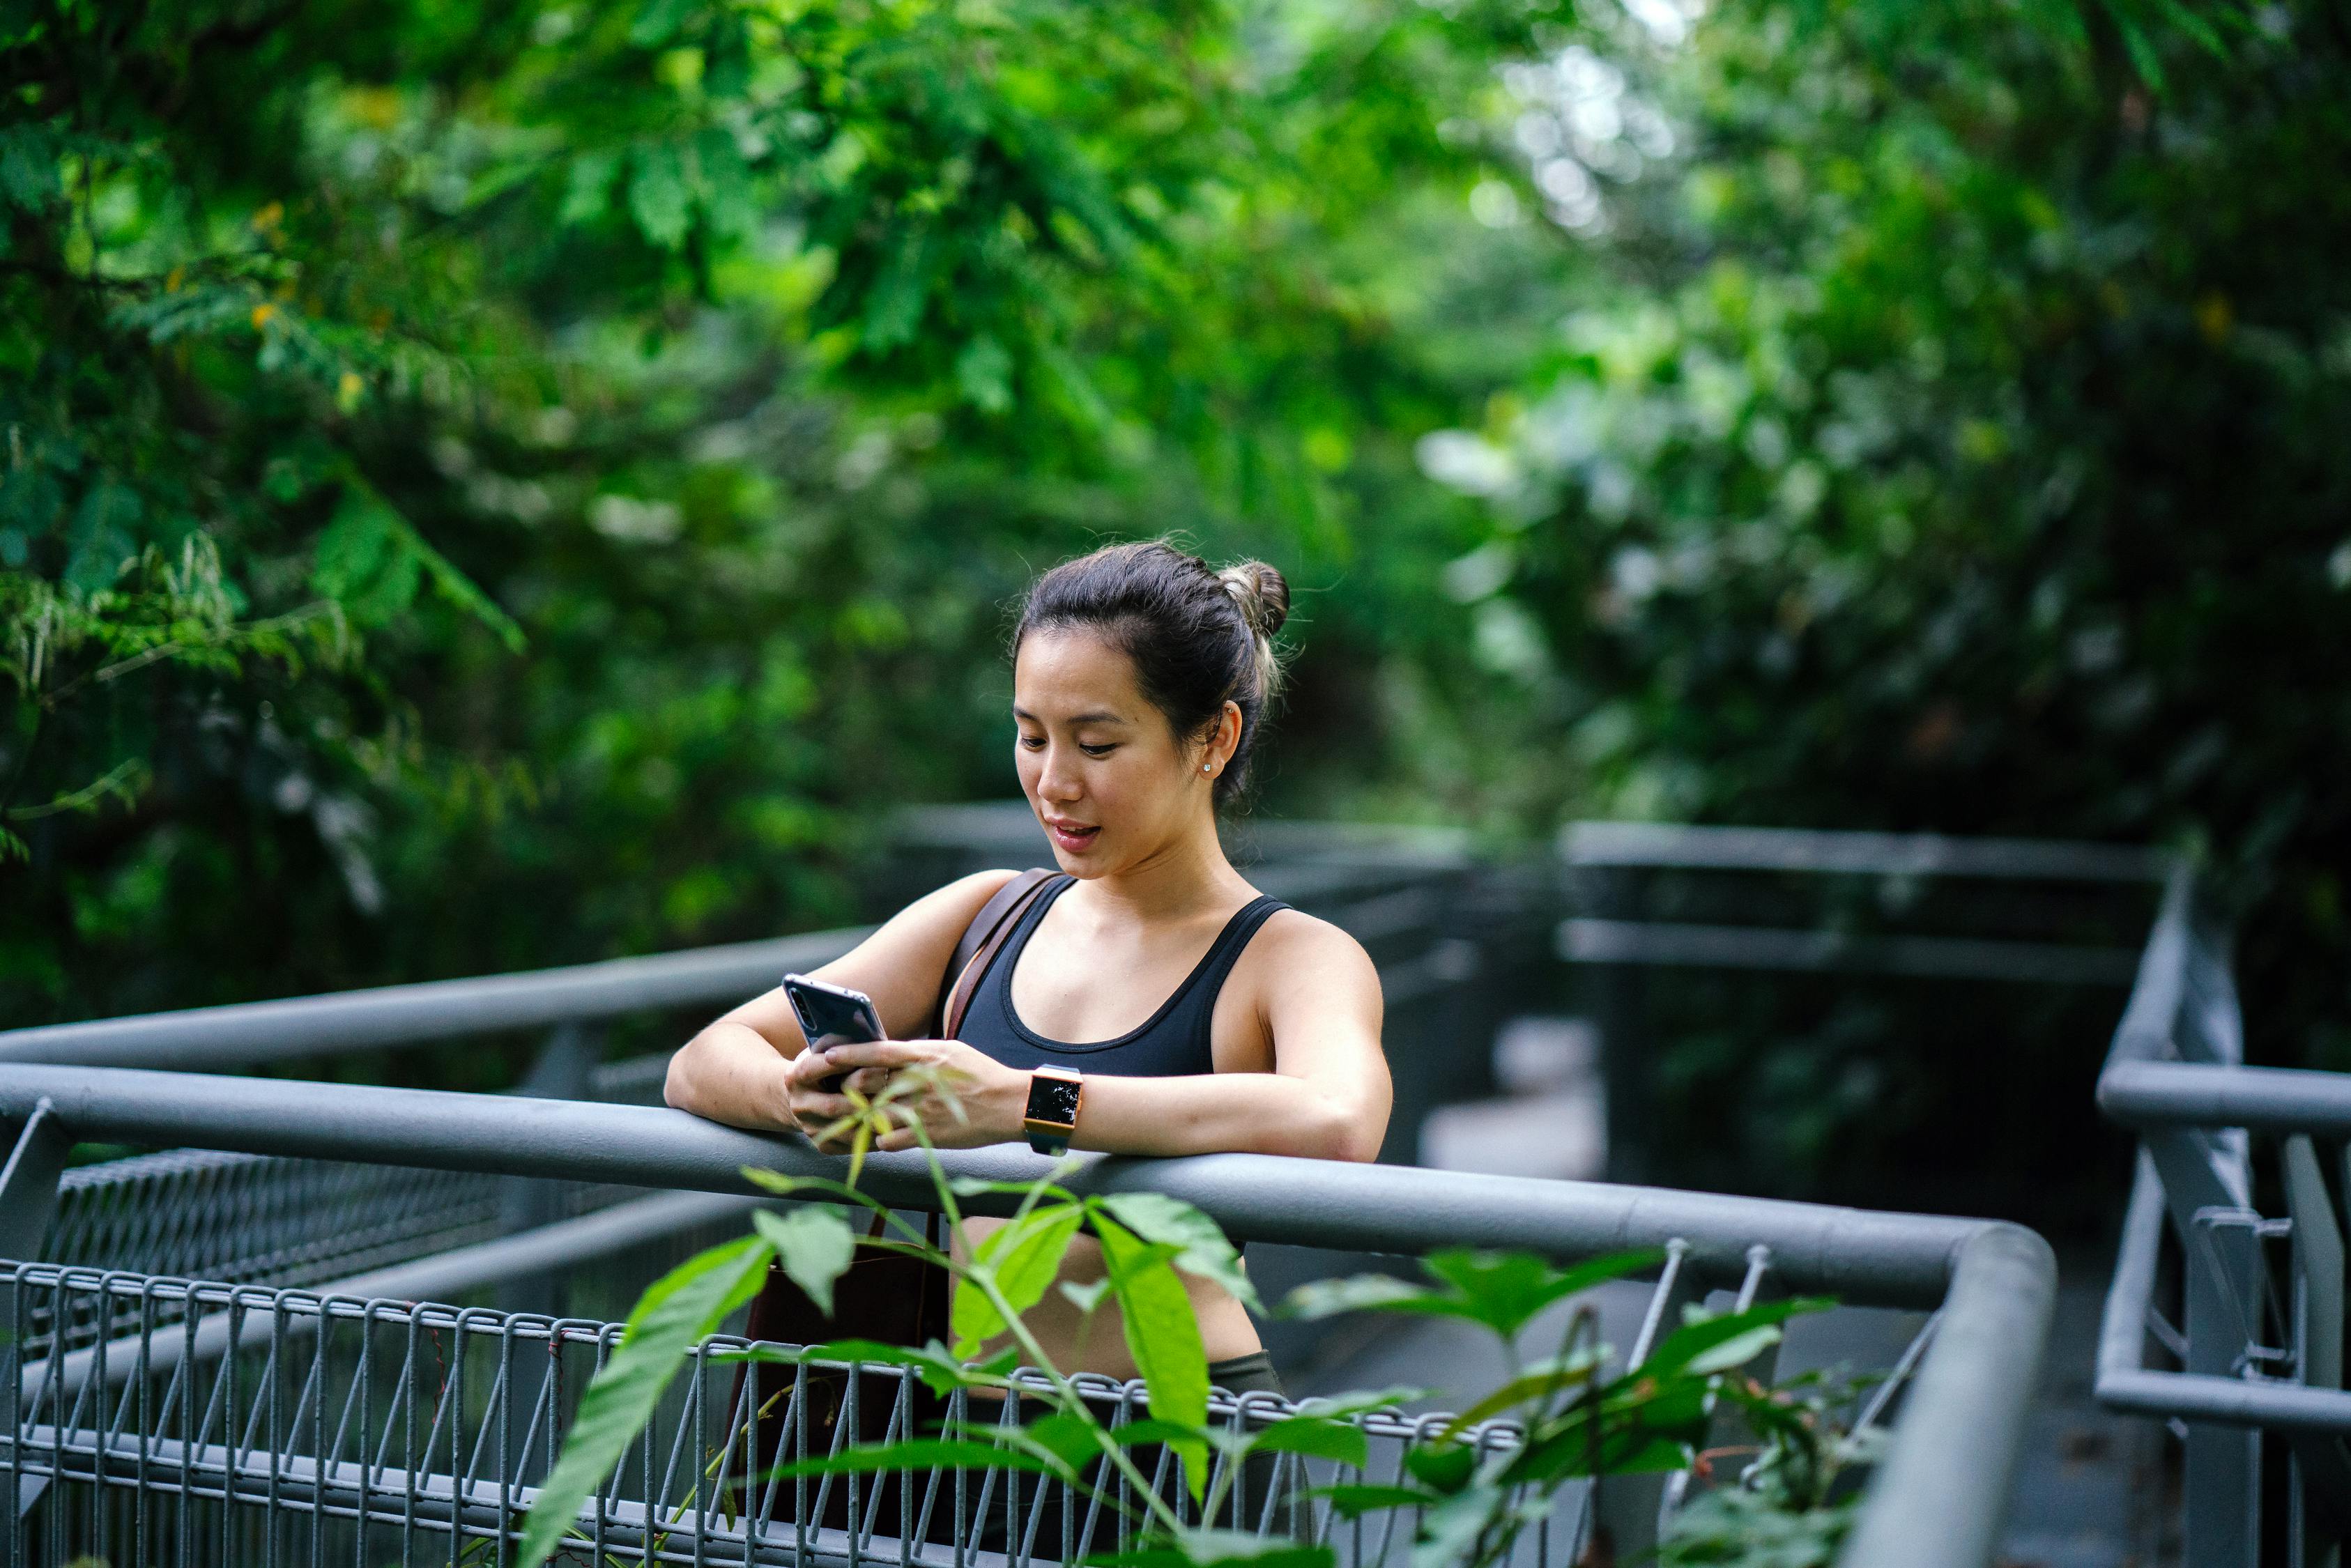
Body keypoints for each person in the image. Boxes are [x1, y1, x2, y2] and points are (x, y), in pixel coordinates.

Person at [665, 539, 1392, 1406]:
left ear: (1213, 738)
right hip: (960, 1445)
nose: (1054, 783)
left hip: (1173, 1447)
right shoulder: (987, 913)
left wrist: (1020, 1102)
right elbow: (704, 1059)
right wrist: (809, 1094)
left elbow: (1339, 1121)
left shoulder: (1290, 955)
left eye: (1096, 743)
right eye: (1031, 736)